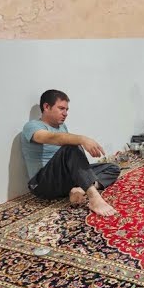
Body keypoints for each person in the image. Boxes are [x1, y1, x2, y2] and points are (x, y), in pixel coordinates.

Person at [21, 89, 120, 217]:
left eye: (67, 110)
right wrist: (82, 139)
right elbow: (53, 138)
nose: (65, 113)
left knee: (112, 168)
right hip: (42, 184)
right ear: (46, 107)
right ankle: (94, 197)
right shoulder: (32, 126)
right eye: (61, 108)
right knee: (71, 146)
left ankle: (80, 188)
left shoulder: (62, 127)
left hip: (64, 181)